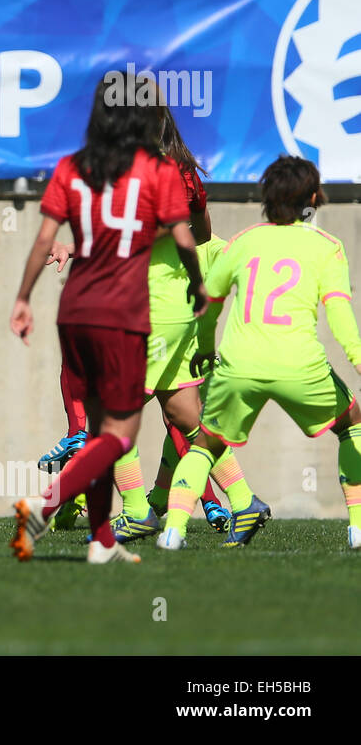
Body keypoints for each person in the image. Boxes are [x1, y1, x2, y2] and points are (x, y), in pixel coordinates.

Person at [40, 97, 262, 543]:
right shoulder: (180, 172)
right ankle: (244, 500)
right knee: (183, 411)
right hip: (173, 307)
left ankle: (139, 510)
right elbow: (196, 232)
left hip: (149, 309)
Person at [9, 72, 207, 564]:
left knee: (97, 428)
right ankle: (44, 503)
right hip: (121, 314)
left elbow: (42, 240)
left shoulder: (72, 167)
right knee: (120, 435)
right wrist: (199, 285)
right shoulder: (156, 172)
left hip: (72, 311)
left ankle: (101, 541)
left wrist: (23, 298)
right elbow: (187, 238)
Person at [159, 156, 361, 550]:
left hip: (238, 365)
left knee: (205, 445)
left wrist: (205, 351)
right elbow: (340, 315)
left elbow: (208, 305)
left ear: (265, 198)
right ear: (314, 198)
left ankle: (173, 531)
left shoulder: (244, 241)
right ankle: (357, 529)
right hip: (301, 366)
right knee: (352, 423)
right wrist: (357, 357)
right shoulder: (328, 247)